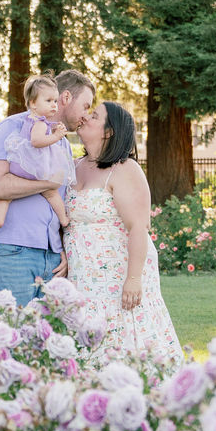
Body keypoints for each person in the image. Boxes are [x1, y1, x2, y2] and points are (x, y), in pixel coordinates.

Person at [63, 101, 185, 369]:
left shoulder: (124, 169)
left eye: (94, 116)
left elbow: (138, 227)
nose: (84, 117)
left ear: (109, 132)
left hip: (118, 277)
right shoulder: (72, 165)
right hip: (83, 277)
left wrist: (133, 279)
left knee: (125, 342)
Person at [0, 69, 97, 307]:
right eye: (85, 106)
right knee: (12, 332)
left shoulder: (61, 143)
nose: (86, 115)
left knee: (46, 339)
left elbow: (58, 201)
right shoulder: (11, 128)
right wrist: (47, 185)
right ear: (66, 98)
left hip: (51, 258)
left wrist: (61, 249)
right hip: (13, 252)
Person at [0, 74, 76, 232]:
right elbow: (37, 141)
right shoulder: (40, 122)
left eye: (55, 101)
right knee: (51, 192)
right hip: (32, 167)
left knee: (5, 196)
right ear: (33, 103)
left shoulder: (31, 120)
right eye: (48, 101)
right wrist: (56, 136)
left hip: (19, 166)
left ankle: (0, 220)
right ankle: (63, 219)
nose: (54, 105)